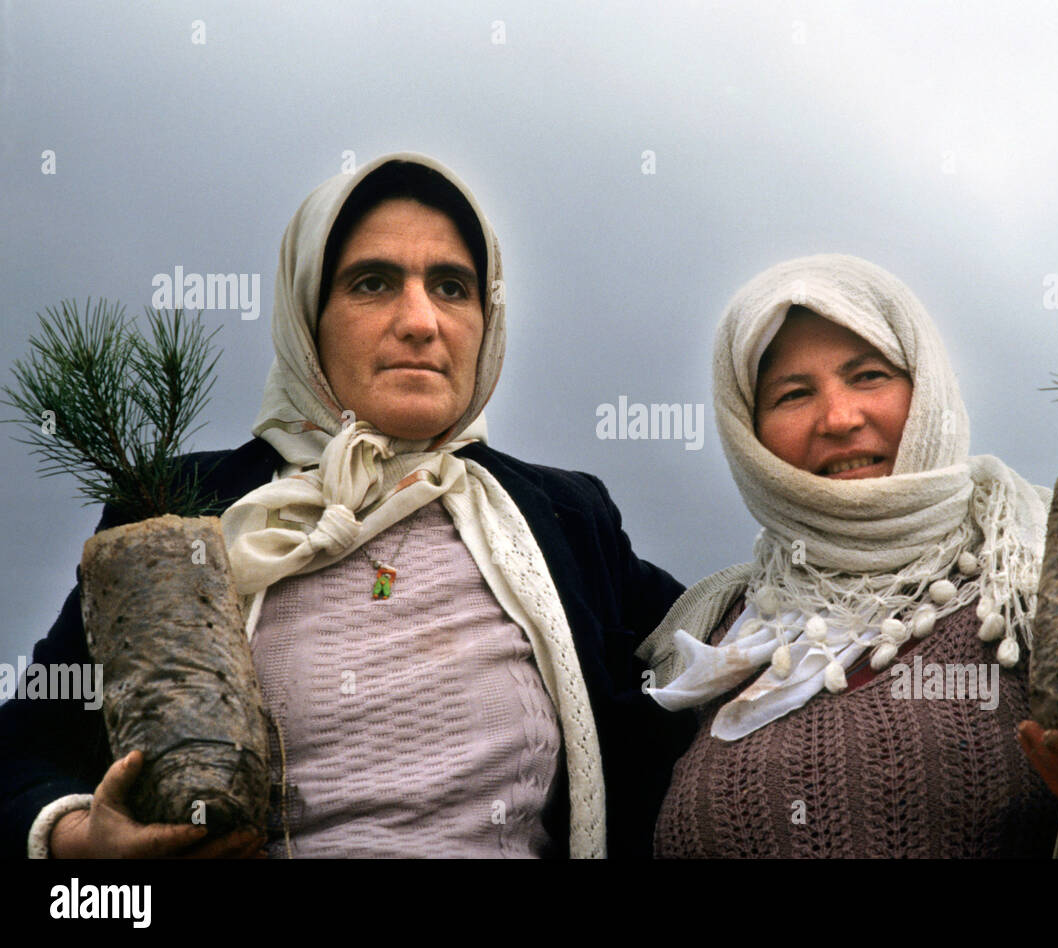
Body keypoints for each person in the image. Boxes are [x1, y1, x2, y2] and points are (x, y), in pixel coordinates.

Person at [0, 151, 694, 859]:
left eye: (452, 287)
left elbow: (725, 646)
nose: (421, 321)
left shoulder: (566, 518)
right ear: (308, 314)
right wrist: (83, 840)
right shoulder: (176, 512)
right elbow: (20, 755)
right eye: (373, 283)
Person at [639, 254, 1058, 858]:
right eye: (793, 393)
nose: (838, 417)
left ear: (926, 389)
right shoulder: (705, 632)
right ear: (745, 430)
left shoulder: (1051, 563)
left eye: (868, 376)